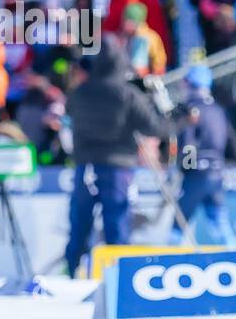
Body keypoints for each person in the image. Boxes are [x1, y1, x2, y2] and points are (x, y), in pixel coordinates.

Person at [63, 42, 172, 276]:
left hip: (86, 166)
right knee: (117, 223)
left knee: (79, 223)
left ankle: (72, 270)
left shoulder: (80, 92)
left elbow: (69, 112)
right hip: (117, 167)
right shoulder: (128, 94)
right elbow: (154, 127)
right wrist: (162, 107)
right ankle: (117, 274)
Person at [172, 64, 236, 245]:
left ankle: (168, 263)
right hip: (217, 172)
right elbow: (231, 143)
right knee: (219, 222)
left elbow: (188, 143)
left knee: (179, 225)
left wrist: (184, 169)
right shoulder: (218, 110)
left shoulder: (192, 110)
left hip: (196, 173)